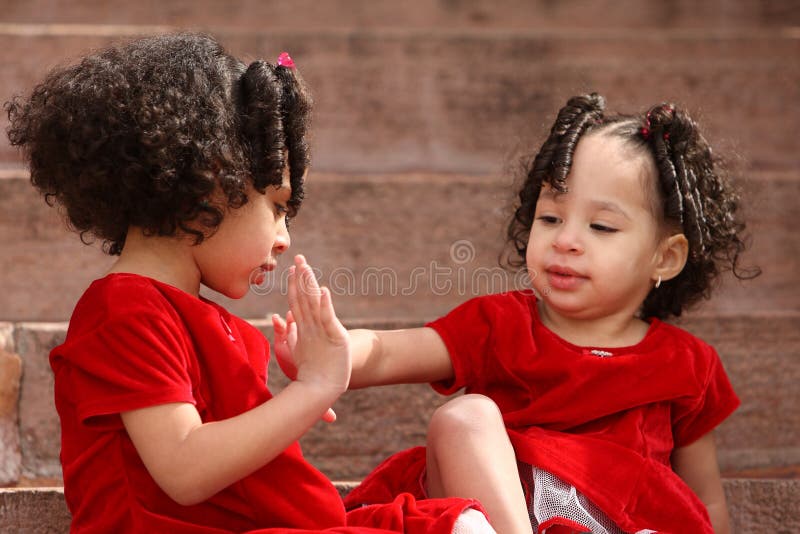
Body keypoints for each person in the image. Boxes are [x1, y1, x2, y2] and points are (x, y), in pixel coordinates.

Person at [6, 33, 494, 534]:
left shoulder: (191, 315)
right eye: (278, 207)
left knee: (455, 518)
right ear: (210, 179)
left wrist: (290, 403)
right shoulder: (124, 307)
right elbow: (185, 469)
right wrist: (312, 389)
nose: (284, 238)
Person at [275, 94, 759, 533]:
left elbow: (704, 501)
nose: (566, 239)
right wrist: (330, 353)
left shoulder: (688, 364)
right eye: (550, 218)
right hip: (508, 514)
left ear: (666, 258)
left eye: (601, 226)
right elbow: (386, 352)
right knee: (464, 417)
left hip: (626, 521)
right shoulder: (502, 324)